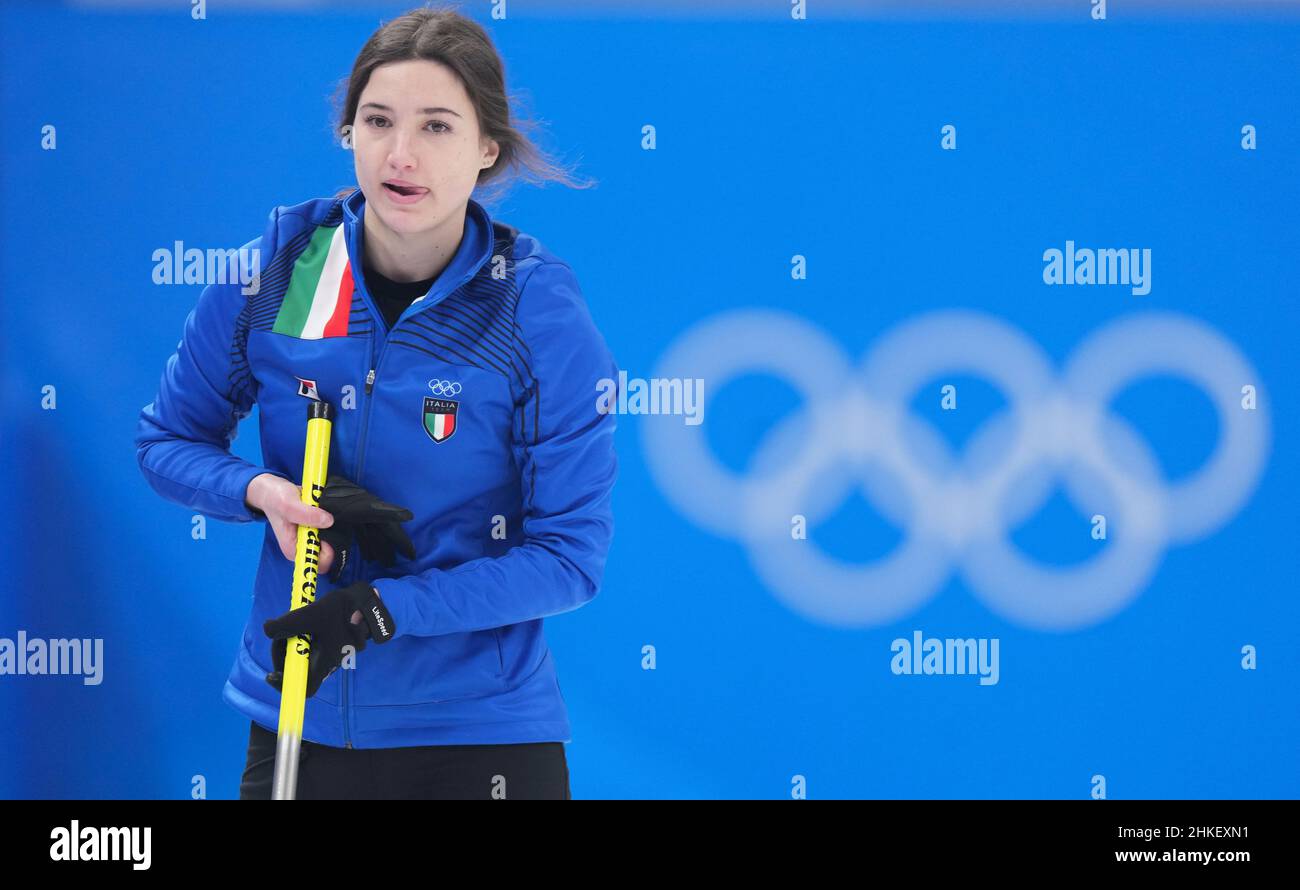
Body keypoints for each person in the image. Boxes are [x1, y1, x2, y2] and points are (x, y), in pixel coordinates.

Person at [134, 5, 617, 800]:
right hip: (298, 708)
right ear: (347, 132)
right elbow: (166, 442)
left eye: (436, 127)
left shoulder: (535, 311)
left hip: (480, 735)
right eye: (378, 120)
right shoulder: (281, 268)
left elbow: (568, 558)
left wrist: (379, 611)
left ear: (486, 149)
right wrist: (261, 492)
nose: (402, 154)